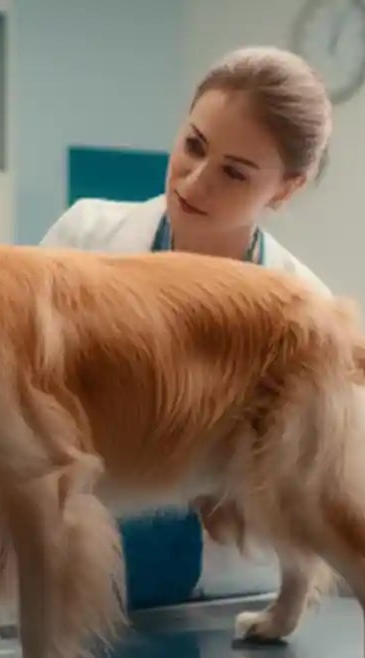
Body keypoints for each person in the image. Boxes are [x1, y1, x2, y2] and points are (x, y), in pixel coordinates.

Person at [39, 46, 334, 611]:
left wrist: (240, 484)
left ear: (286, 188)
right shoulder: (82, 241)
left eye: (234, 173)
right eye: (194, 146)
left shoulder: (305, 309)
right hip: (73, 573)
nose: (195, 183)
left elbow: (315, 483)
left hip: (225, 598)